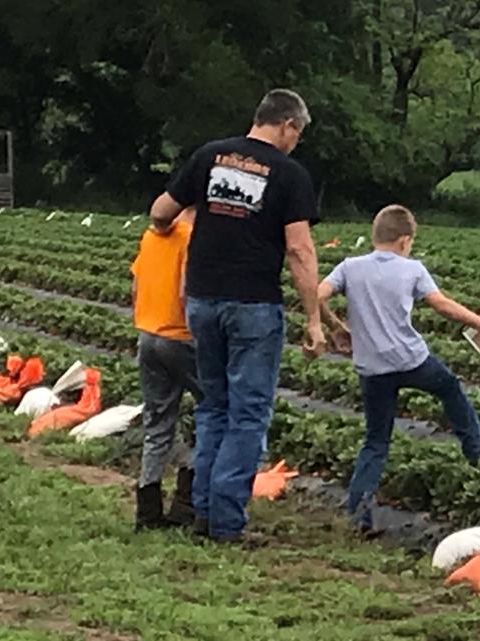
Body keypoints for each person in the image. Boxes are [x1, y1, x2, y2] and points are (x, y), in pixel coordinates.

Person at [149, 89, 326, 545]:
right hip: (252, 305)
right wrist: (314, 320)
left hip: (202, 302)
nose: (295, 143)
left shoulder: (209, 157)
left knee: (213, 406)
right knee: (248, 414)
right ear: (287, 125)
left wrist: (168, 234)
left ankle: (204, 512)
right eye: (297, 134)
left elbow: (160, 212)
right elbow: (300, 250)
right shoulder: (288, 174)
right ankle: (227, 523)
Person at [317, 204, 480, 532]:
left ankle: (358, 518)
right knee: (450, 388)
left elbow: (316, 294)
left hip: (372, 368)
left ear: (375, 234)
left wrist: (335, 326)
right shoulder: (412, 269)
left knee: (376, 440)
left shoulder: (350, 267)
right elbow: (442, 305)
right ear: (405, 240)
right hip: (410, 360)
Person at [131, 206, 202, 530]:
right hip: (181, 337)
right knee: (211, 409)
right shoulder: (193, 238)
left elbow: (136, 287)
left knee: (157, 421)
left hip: (147, 333)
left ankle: (148, 509)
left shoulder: (152, 236)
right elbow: (188, 291)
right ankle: (186, 502)